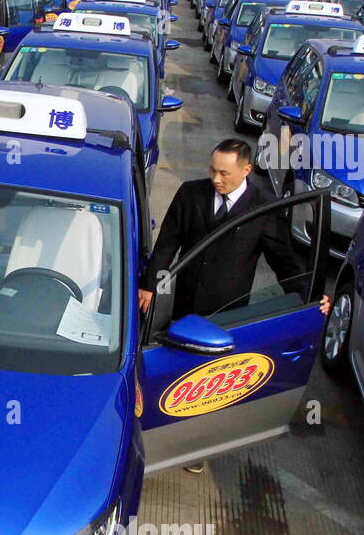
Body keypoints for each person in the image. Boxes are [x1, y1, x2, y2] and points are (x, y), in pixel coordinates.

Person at [138, 140, 331, 474]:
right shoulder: (190, 194)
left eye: (224, 172)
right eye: (212, 170)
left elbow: (284, 261)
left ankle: (196, 447)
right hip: (185, 305)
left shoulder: (263, 208)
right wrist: (150, 285)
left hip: (227, 313)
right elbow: (168, 242)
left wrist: (310, 297)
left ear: (246, 170)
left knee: (209, 383)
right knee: (175, 372)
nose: (216, 178)